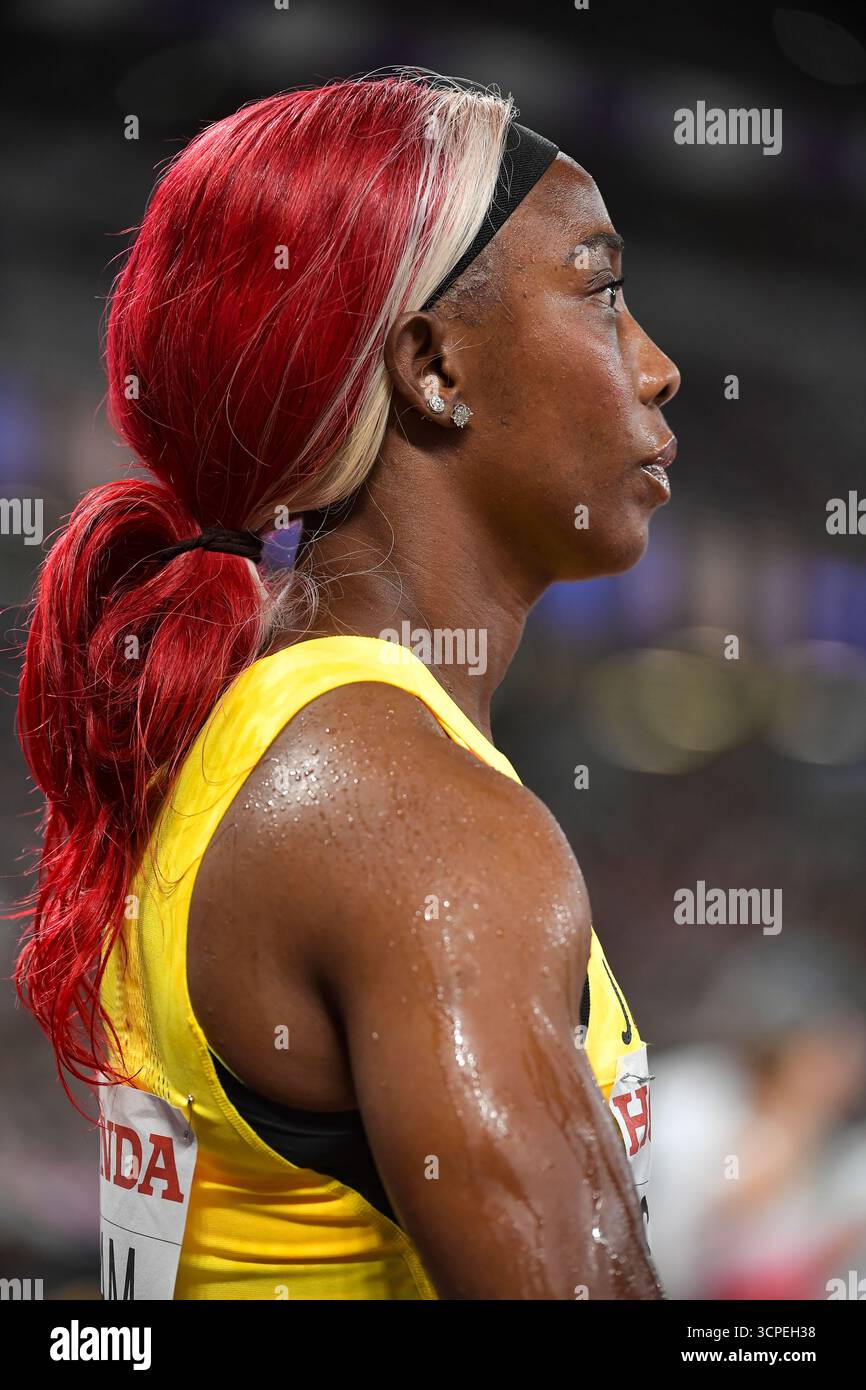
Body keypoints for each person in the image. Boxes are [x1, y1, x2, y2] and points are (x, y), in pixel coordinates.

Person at [14, 68, 680, 1299]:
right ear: (432, 368)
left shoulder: (246, 734)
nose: (658, 368)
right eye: (599, 293)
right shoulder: (406, 815)